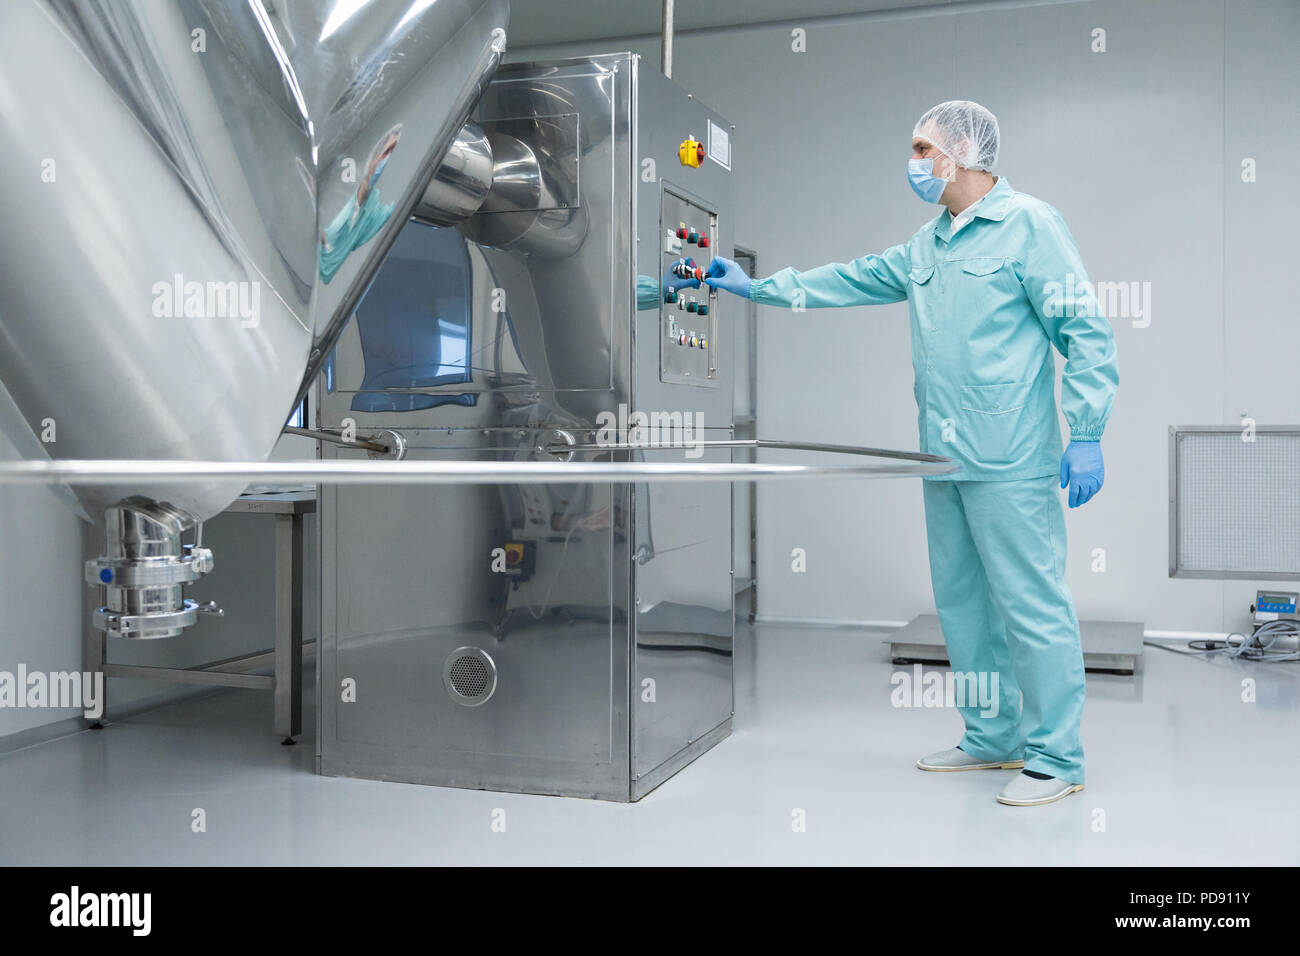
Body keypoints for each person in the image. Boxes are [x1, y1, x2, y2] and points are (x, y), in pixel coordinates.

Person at [690, 100, 1118, 807]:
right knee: (964, 607)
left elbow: (1086, 328)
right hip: (942, 459)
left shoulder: (1030, 226)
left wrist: (1089, 428)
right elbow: (848, 279)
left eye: (923, 148)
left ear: (959, 154)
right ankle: (992, 737)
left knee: (1031, 605)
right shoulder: (929, 245)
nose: (914, 161)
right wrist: (758, 288)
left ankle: (1056, 756)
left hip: (1011, 458)